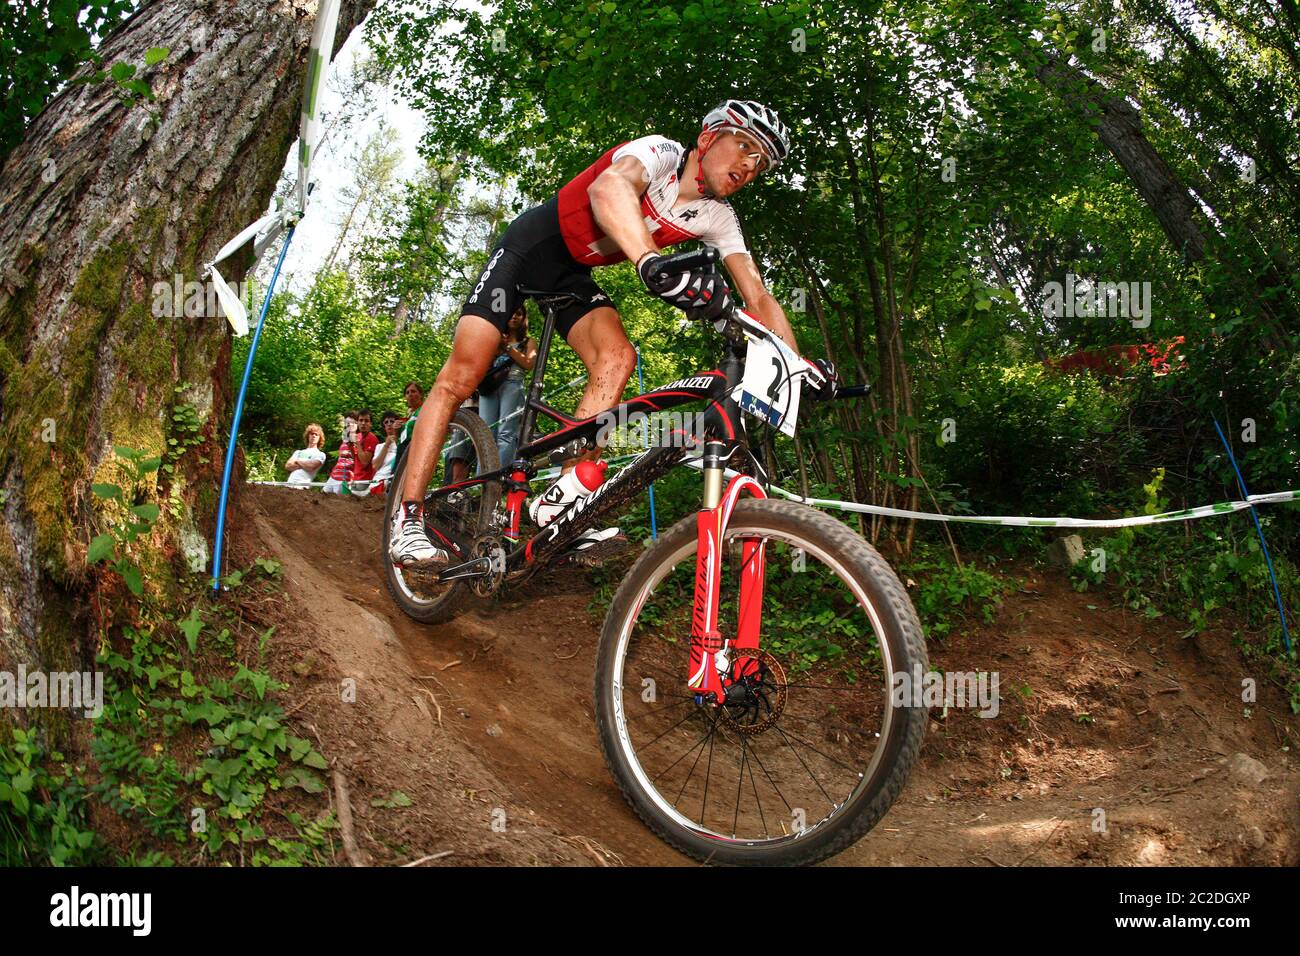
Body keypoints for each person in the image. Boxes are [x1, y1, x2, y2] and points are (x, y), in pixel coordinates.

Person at [391, 99, 833, 568]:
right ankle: (409, 517)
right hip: (529, 249)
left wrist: (794, 364)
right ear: (707, 139)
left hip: (571, 276)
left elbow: (758, 295)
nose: (750, 163)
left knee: (618, 356)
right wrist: (649, 260)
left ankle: (561, 504)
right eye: (744, 145)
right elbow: (610, 188)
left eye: (760, 161)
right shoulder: (659, 153)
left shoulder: (718, 217)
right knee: (460, 378)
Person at [476, 303, 537, 467]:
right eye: (511, 313)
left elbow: (529, 364)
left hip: (513, 385)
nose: (514, 316)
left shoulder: (528, 342)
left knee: (506, 433)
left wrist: (507, 347)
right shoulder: (494, 337)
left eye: (518, 313)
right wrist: (497, 346)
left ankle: (499, 477)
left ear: (524, 318)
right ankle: (480, 479)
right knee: (485, 434)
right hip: (489, 387)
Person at [321, 412, 359, 494]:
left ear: (357, 424)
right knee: (322, 497)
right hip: (334, 476)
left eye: (352, 423)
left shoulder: (359, 439)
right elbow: (340, 458)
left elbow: (358, 461)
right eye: (347, 423)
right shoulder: (344, 441)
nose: (349, 425)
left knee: (338, 503)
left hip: (345, 477)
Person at [367, 410, 401, 495]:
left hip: (395, 483)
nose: (389, 424)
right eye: (386, 422)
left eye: (392, 421)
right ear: (384, 426)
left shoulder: (402, 444)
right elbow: (375, 466)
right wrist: (387, 445)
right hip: (378, 483)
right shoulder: (380, 446)